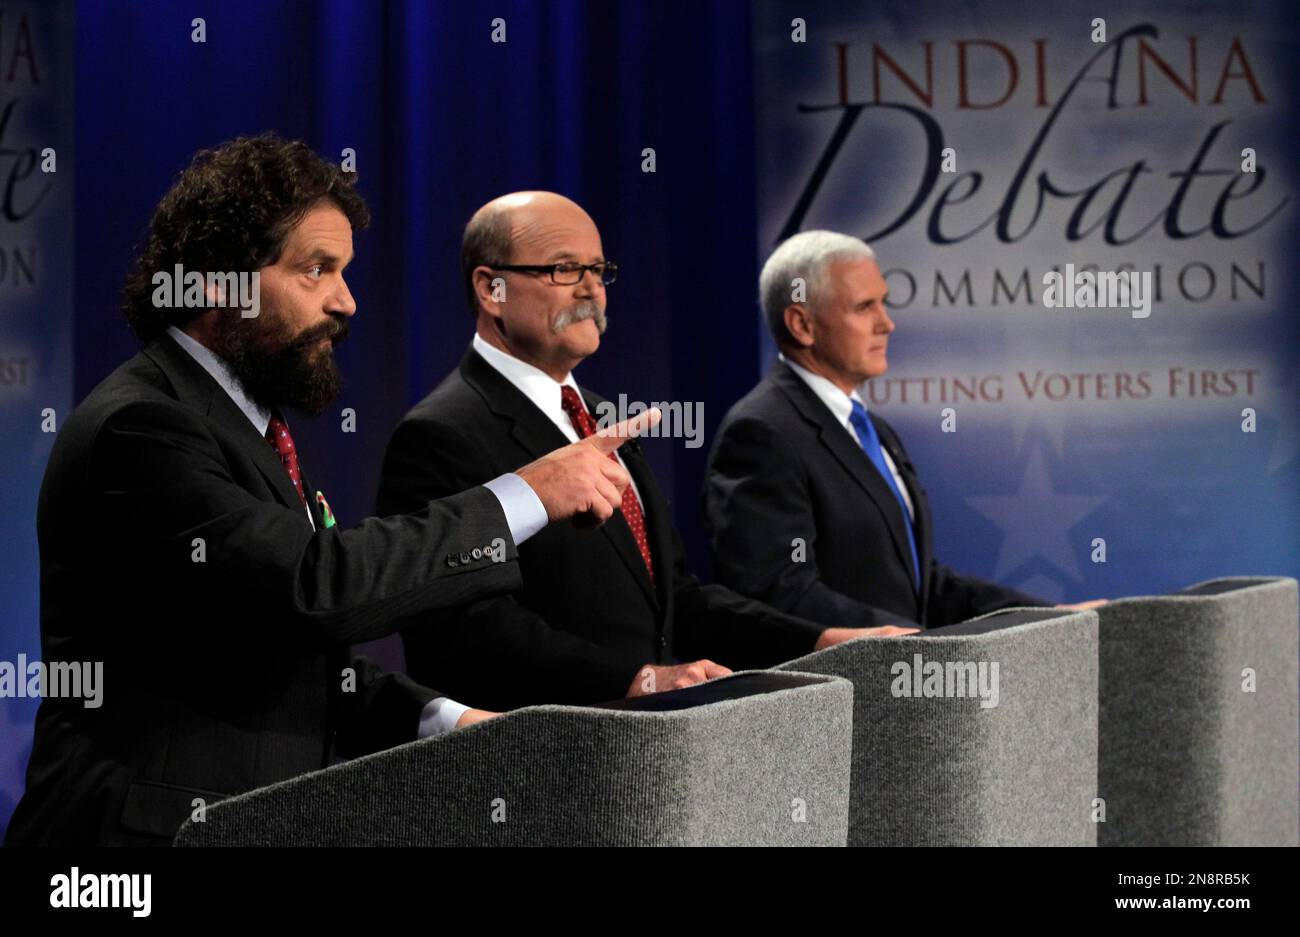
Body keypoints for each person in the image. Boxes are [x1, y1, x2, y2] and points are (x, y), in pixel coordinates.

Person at [6, 138, 648, 846]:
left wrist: (455, 723)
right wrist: (525, 492)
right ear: (221, 280)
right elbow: (314, 588)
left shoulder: (250, 423)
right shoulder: (142, 426)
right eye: (317, 269)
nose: (346, 301)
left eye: (343, 271)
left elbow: (304, 665)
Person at [376, 194, 914, 712]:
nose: (592, 291)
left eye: (598, 270)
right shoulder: (440, 434)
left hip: (642, 757)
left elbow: (676, 599)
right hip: (531, 766)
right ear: (491, 288)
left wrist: (821, 640)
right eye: (565, 269)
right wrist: (633, 679)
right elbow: (462, 627)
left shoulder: (603, 417)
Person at [703, 230, 1092, 631]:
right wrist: (912, 645)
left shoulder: (874, 430)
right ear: (803, 324)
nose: (886, 323)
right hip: (842, 687)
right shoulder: (761, 432)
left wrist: (1047, 619)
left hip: (909, 679)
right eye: (864, 307)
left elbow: (924, 588)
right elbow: (776, 592)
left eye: (883, 303)